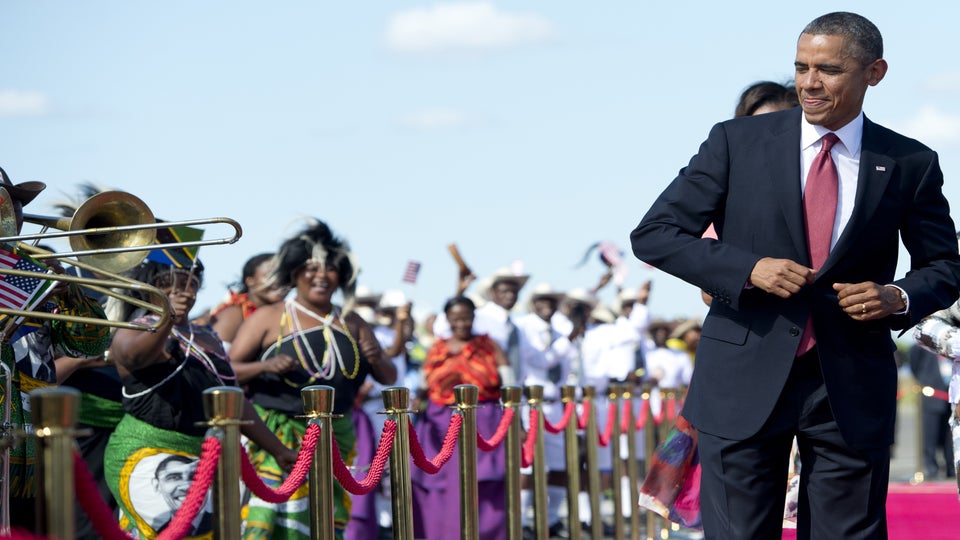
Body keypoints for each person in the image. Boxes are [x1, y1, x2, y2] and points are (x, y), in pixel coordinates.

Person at [630, 12, 960, 538]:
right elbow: (655, 233)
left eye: (828, 69)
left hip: (849, 386)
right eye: (802, 66)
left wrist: (896, 295)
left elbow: (945, 266)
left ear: (874, 73)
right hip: (740, 378)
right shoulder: (736, 142)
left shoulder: (910, 162)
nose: (809, 82)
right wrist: (747, 268)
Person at [103, 257, 297, 539]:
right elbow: (135, 357)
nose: (187, 292)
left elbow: (232, 400)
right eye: (173, 283)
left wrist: (278, 450)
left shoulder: (207, 336)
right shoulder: (135, 328)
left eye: (192, 284)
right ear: (148, 288)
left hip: (202, 458)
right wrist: (166, 317)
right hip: (146, 455)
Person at [228, 219, 397, 539]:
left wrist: (377, 356)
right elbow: (227, 371)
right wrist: (264, 367)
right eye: (311, 268)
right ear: (294, 274)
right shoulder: (270, 317)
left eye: (330, 268)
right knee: (268, 524)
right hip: (275, 435)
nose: (321, 276)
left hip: (335, 436)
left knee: (324, 524)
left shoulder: (351, 320)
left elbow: (389, 376)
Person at [0, 167, 111, 533]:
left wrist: (66, 287)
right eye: (7, 204)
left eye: (16, 205)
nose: (13, 213)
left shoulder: (33, 273)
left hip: (34, 453)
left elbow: (91, 343)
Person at [411, 296, 510, 540]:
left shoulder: (489, 346)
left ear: (474, 317)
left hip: (483, 420)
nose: (461, 323)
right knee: (439, 483)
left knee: (484, 482)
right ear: (448, 320)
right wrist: (416, 401)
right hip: (439, 423)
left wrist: (514, 418)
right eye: (455, 318)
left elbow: (509, 381)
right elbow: (424, 382)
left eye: (466, 317)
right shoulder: (438, 348)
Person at [207, 252, 288, 349]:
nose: (277, 281)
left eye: (282, 277)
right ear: (250, 281)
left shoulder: (287, 315)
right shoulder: (234, 314)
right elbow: (214, 357)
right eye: (269, 276)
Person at [908, 344, 955, 479]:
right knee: (930, 435)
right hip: (932, 394)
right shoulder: (923, 345)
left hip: (949, 394)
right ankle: (930, 468)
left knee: (950, 435)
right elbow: (914, 363)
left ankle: (951, 468)